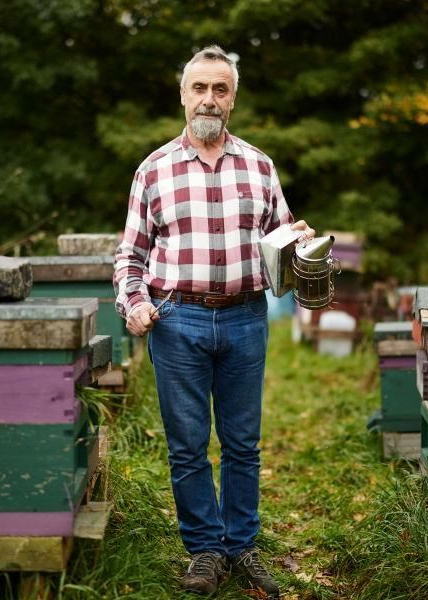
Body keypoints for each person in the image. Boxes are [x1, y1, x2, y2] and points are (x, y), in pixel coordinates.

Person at [113, 45, 314, 598]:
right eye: (199, 88)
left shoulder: (259, 165)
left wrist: (299, 244)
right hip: (177, 321)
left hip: (247, 318)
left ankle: (242, 546)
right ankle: (205, 550)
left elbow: (281, 240)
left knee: (243, 443)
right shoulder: (153, 169)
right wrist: (133, 303)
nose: (209, 98)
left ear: (233, 99)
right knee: (187, 445)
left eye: (220, 89)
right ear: (183, 96)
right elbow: (130, 256)